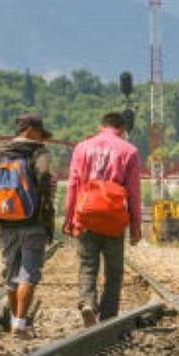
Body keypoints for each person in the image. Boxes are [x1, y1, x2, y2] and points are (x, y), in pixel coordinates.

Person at [0, 114, 56, 336]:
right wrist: (46, 209)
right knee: (29, 272)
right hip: (33, 223)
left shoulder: (1, 151)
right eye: (39, 133)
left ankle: (14, 320)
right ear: (30, 131)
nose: (41, 138)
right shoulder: (39, 152)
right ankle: (20, 324)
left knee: (11, 275)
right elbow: (43, 176)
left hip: (6, 222)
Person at [63, 112, 143, 326]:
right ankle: (108, 318)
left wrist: (70, 217)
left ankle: (88, 302)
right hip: (113, 216)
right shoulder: (129, 151)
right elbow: (134, 193)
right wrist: (135, 226)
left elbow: (73, 185)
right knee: (114, 271)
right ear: (122, 129)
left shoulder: (82, 148)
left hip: (86, 214)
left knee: (88, 264)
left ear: (101, 126)